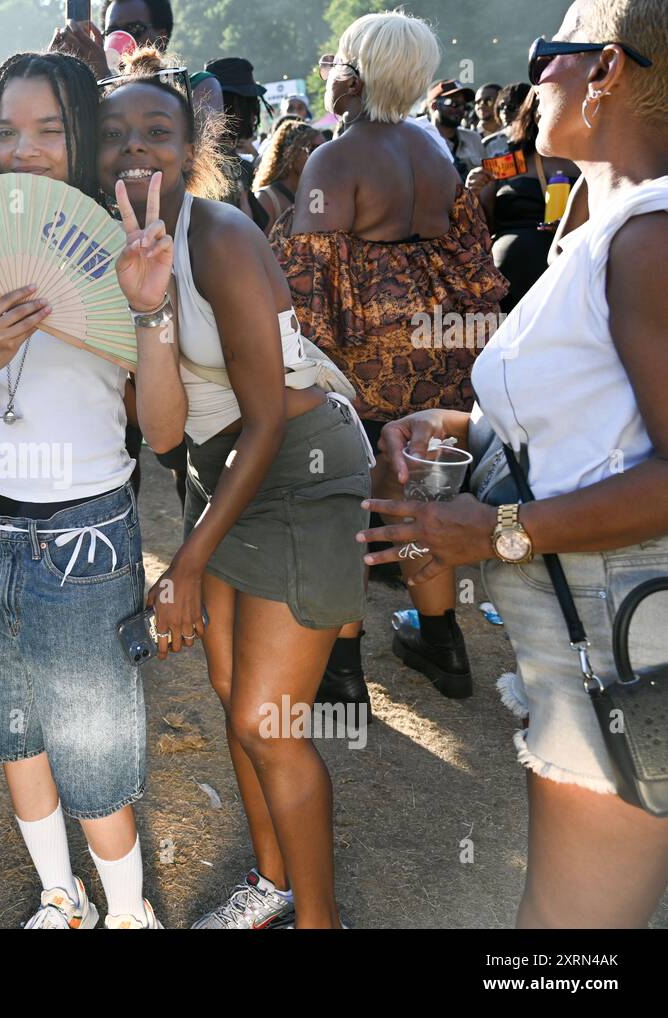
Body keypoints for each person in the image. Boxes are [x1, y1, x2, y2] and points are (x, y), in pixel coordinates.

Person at [359, 0, 668, 927]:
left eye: (549, 54)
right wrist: (457, 421)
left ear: (606, 69)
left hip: (621, 628)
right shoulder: (598, 212)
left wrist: (495, 531)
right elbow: (588, 423)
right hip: (588, 612)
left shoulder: (649, 237)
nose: (534, 78)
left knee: (565, 941)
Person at [103, 46, 369, 931]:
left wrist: (183, 562)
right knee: (230, 693)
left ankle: (319, 923)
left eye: (157, 133)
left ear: (191, 148)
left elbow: (264, 418)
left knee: (269, 720)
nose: (136, 150)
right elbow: (165, 431)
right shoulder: (119, 249)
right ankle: (272, 880)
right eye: (115, 135)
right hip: (219, 471)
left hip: (298, 462)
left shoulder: (219, 236)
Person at [0, 51, 158, 930]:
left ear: (82, 137)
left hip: (86, 534)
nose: (22, 151)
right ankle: (59, 897)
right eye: (5, 133)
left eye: (48, 131)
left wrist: (143, 313)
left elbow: (166, 423)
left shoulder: (123, 251)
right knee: (17, 734)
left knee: (95, 755)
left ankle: (130, 912)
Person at [273, 12, 507, 709]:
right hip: (438, 349)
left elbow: (309, 283)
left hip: (364, 353)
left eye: (336, 64)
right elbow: (469, 258)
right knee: (420, 490)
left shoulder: (335, 159)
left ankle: (342, 664)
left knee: (353, 491)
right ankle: (442, 640)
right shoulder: (435, 151)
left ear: (355, 73)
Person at [469, 89, 580, 312]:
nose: (547, 111)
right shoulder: (510, 162)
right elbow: (484, 224)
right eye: (541, 105)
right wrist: (475, 192)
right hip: (511, 274)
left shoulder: (590, 160)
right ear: (532, 112)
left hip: (571, 271)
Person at [205, 57, 272, 230]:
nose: (253, 114)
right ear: (230, 105)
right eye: (248, 103)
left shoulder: (236, 163)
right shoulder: (211, 165)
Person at [49, 0, 172, 78]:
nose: (121, 39)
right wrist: (50, 73)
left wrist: (102, 77)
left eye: (134, 29)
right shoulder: (90, 92)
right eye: (112, 32)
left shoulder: (185, 90)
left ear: (160, 39)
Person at [251, 119, 324, 229]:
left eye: (323, 149)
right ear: (290, 153)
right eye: (313, 149)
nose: (320, 156)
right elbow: (259, 244)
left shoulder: (317, 193)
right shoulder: (267, 198)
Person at [427, 79, 487, 179]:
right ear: (434, 106)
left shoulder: (474, 138)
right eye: (454, 104)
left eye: (464, 105)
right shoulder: (423, 140)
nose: (461, 109)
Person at [482, 81, 531, 159]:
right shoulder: (489, 144)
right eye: (501, 107)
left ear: (528, 107)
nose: (504, 112)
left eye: (511, 107)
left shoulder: (540, 138)